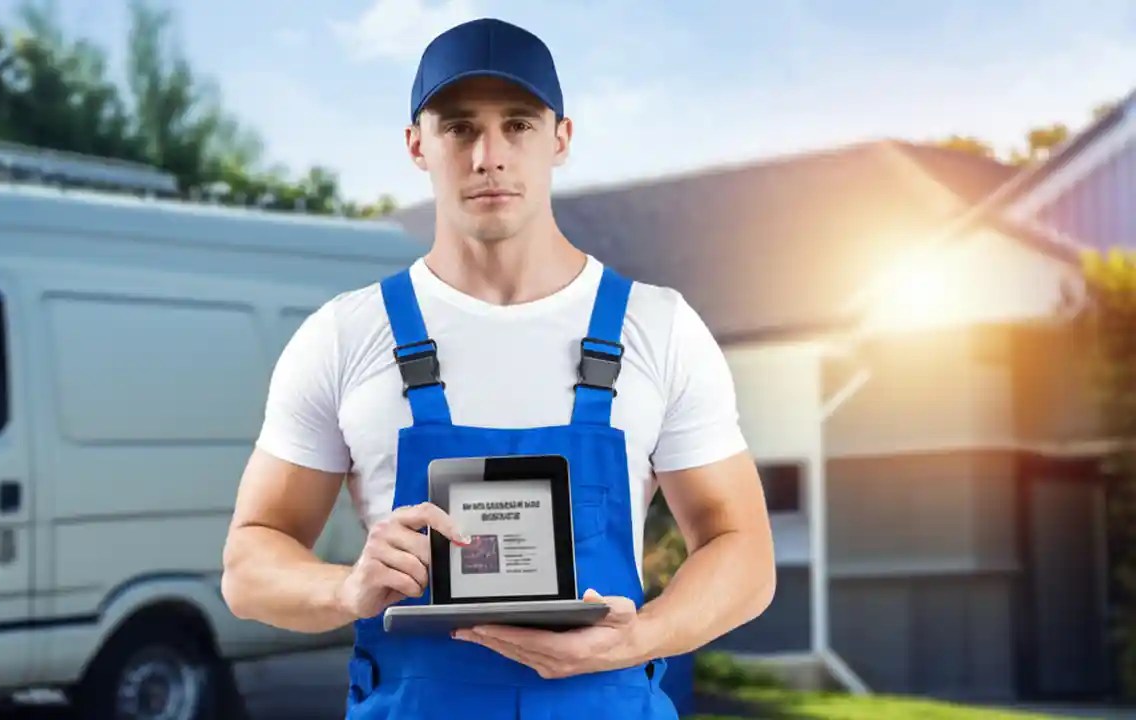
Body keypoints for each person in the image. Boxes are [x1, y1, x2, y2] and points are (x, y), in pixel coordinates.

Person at [221, 16, 776, 720]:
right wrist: (345, 588)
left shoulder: (658, 328)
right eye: (459, 128)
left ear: (560, 139)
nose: (489, 155)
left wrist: (639, 638)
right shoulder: (345, 335)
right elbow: (249, 564)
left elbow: (744, 553)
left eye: (517, 125)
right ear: (416, 144)